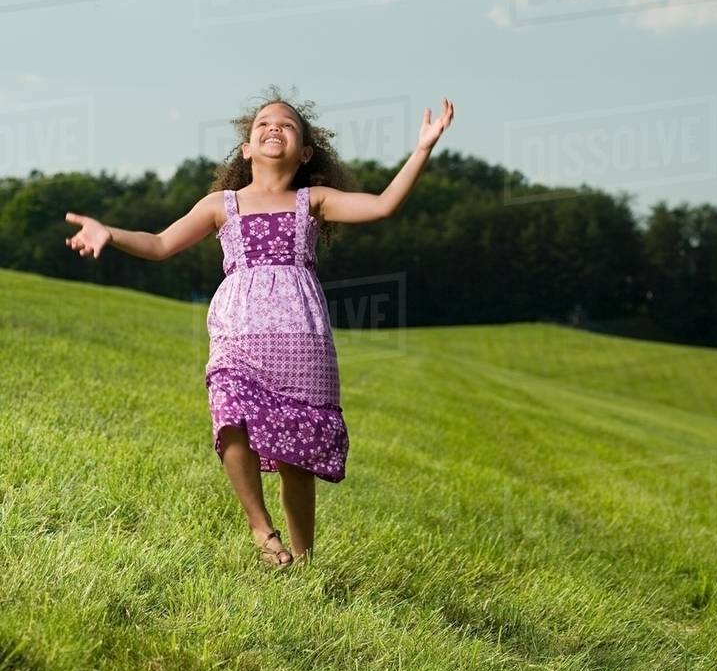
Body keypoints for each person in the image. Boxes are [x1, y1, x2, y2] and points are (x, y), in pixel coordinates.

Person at [65, 89, 455, 573]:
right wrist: (110, 233)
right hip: (238, 333)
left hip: (302, 341)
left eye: (287, 125)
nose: (274, 128)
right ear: (247, 149)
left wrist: (422, 148)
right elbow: (161, 243)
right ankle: (260, 527)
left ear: (305, 153)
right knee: (229, 417)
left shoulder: (313, 201)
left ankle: (304, 565)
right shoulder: (221, 205)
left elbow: (382, 205)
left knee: (296, 460)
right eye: (263, 124)